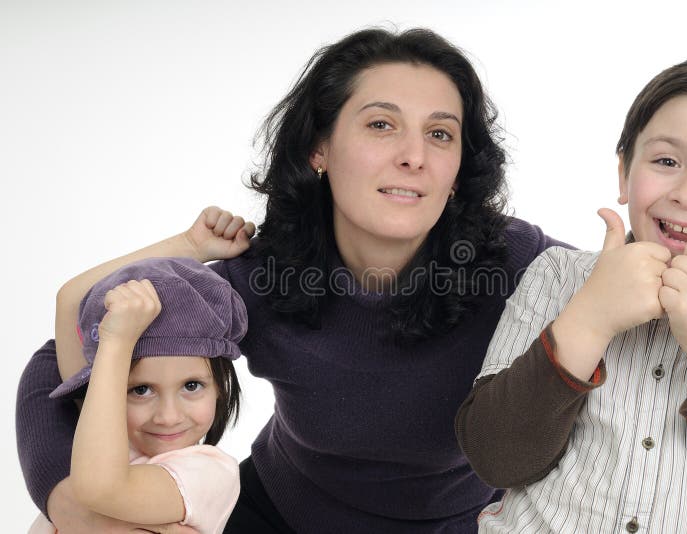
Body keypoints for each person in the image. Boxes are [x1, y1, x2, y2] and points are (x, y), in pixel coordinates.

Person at [16, 28, 566, 532]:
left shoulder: (512, 261)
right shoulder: (264, 275)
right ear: (319, 149)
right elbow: (60, 357)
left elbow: (630, 290)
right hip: (275, 518)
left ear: (458, 169)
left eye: (441, 134)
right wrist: (68, 503)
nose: (414, 156)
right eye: (381, 125)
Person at [456, 54, 687, 533]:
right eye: (665, 161)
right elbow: (497, 459)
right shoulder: (558, 275)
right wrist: (589, 319)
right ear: (624, 172)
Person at [30, 257, 246, 534]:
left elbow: (101, 488)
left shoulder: (211, 474)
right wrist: (192, 244)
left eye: (191, 386)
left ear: (220, 386)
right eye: (141, 390)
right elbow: (71, 299)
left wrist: (117, 342)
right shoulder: (102, 428)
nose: (168, 417)